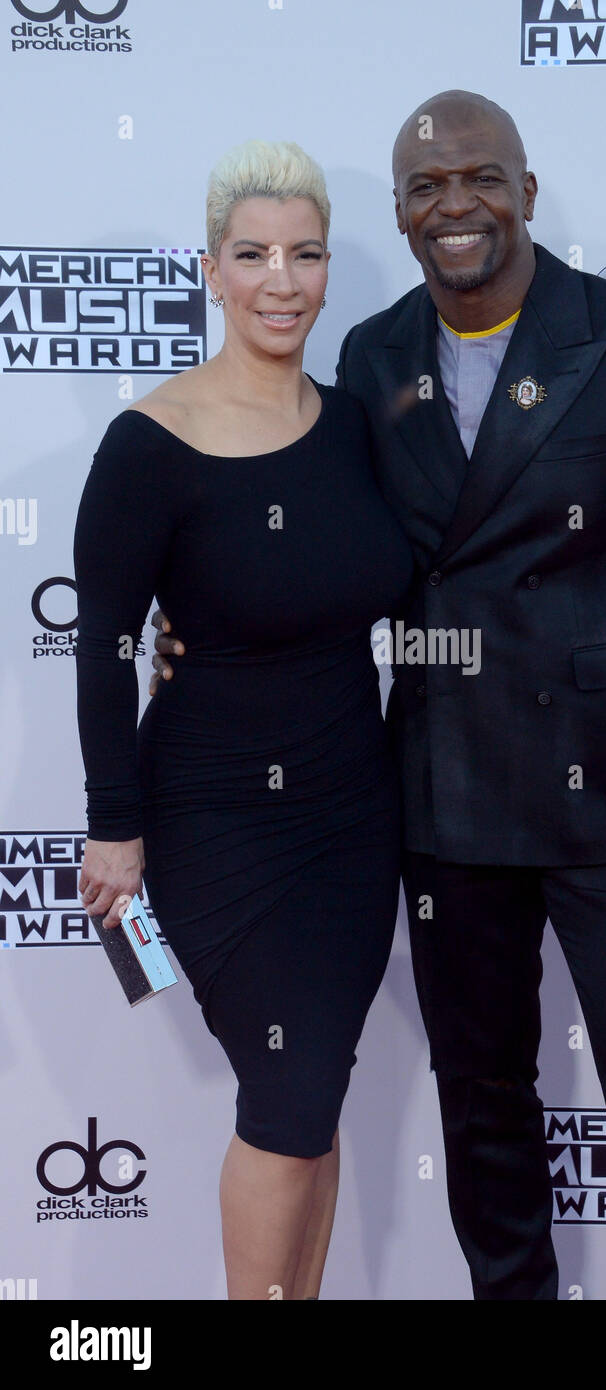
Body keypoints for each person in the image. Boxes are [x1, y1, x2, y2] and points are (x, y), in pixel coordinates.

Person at [151, 93, 606, 1300]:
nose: (455, 204)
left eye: (480, 177)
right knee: (485, 1112)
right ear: (401, 215)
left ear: (525, 189)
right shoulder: (374, 355)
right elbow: (338, 547)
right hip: (447, 795)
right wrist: (204, 615)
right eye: (426, 186)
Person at [73, 139, 414, 1301]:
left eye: (306, 253)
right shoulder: (148, 444)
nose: (283, 279)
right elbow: (105, 647)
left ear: (328, 271)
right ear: (211, 270)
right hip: (217, 821)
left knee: (310, 1102)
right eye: (254, 253)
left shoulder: (358, 422)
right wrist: (113, 828)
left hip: (353, 820)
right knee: (288, 1095)